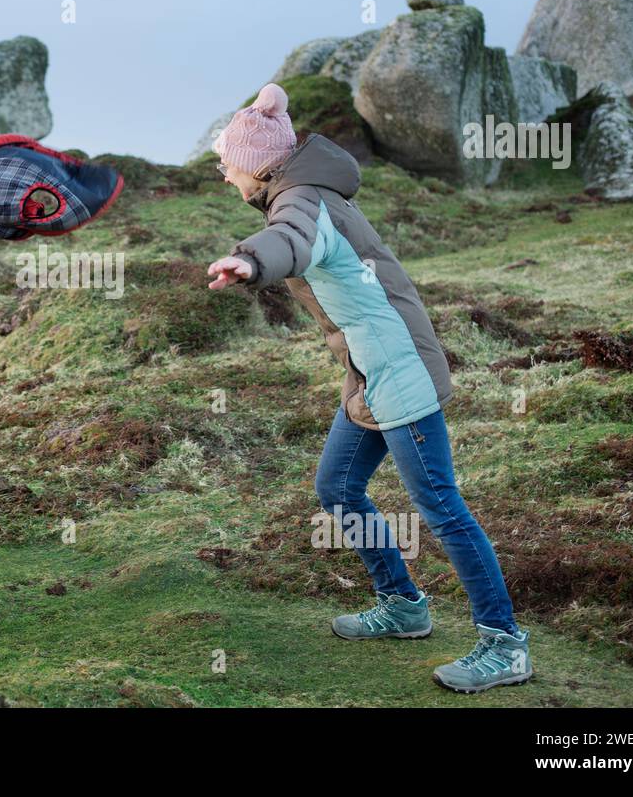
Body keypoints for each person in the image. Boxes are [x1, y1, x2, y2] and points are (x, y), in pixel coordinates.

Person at [206, 83, 532, 693]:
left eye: (228, 165)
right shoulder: (309, 191)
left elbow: (290, 240)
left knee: (442, 510)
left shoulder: (301, 201)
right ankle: (404, 605)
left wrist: (249, 261)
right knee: (337, 486)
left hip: (399, 372)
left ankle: (505, 643)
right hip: (372, 372)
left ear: (257, 165)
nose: (226, 177)